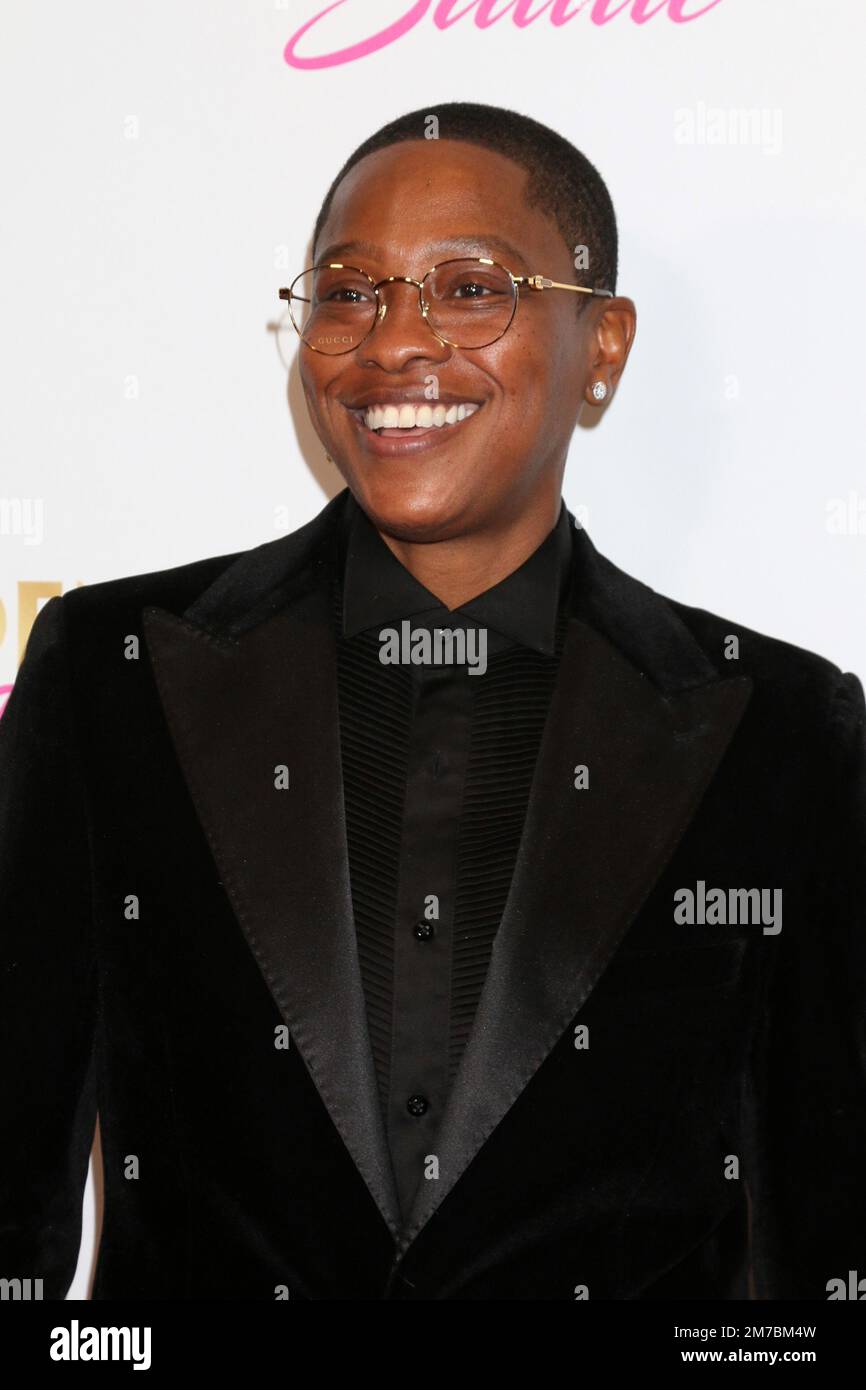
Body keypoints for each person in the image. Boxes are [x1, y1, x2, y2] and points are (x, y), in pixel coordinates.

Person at [1, 100, 864, 1301]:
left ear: (602, 344)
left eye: (468, 288)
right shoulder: (112, 672)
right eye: (348, 292)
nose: (394, 343)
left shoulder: (779, 730)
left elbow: (822, 1236)